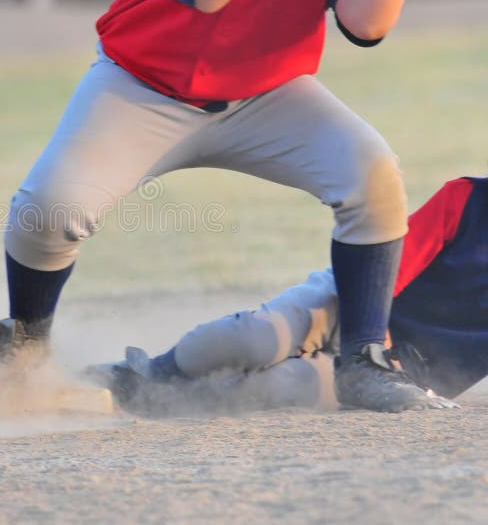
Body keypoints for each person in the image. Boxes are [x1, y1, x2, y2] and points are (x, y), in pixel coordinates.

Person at [0, 0, 451, 411]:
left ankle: (363, 359)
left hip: (266, 95)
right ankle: (24, 353)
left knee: (372, 172)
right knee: (51, 208)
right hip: (144, 84)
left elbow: (366, 24)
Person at [89, 176, 487, 415]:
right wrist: (370, 341)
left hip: (404, 373)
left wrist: (386, 367)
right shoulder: (465, 198)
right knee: (249, 337)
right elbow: (388, 273)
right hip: (348, 302)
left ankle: (158, 404)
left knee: (277, 388)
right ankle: (145, 374)